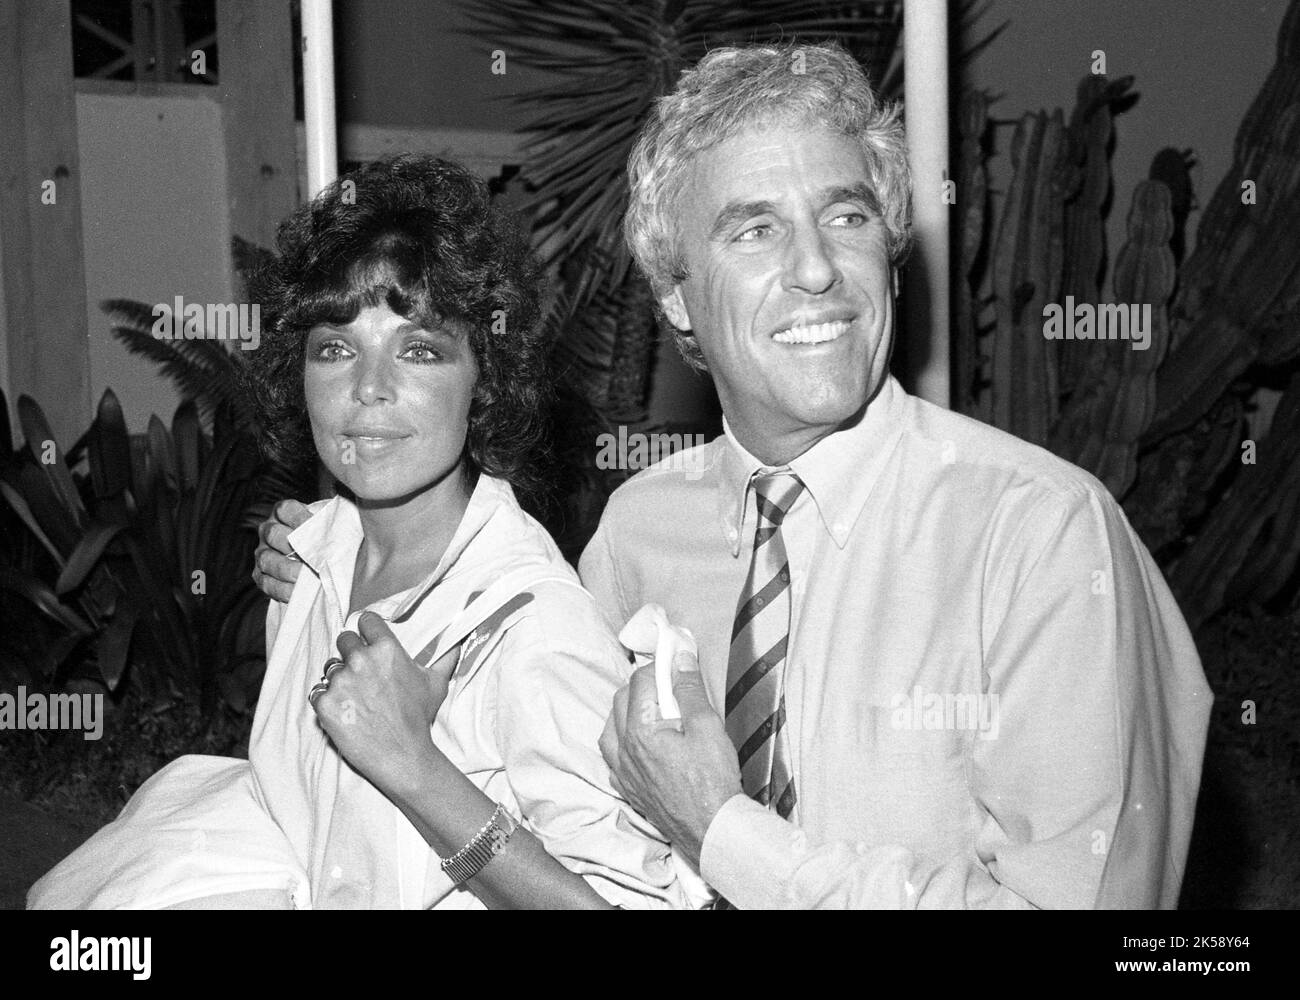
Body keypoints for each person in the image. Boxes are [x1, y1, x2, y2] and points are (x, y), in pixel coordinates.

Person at [254, 45, 1213, 909]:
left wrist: (721, 829)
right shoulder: (638, 530)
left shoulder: (1044, 537)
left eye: (845, 215)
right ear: (676, 297)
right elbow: (544, 786)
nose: (816, 270)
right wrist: (339, 559)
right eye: (753, 231)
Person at [29, 154, 687, 910]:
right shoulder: (308, 563)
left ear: (485, 382)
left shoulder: (535, 631)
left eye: (419, 350)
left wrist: (417, 767)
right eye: (335, 348)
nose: (368, 388)